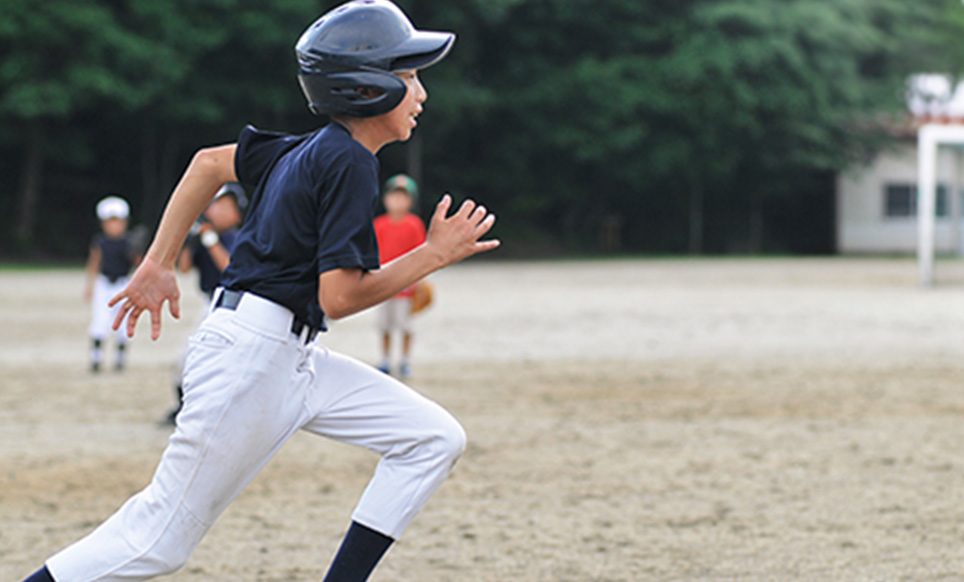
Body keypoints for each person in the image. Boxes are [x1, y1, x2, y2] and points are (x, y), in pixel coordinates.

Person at [19, 3, 499, 582]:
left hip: (288, 356)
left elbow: (206, 165)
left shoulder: (305, 150)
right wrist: (432, 254)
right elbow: (338, 298)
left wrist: (158, 262)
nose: (421, 94)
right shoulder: (348, 163)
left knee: (433, 438)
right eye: (410, 77)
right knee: (156, 541)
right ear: (368, 88)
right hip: (251, 361)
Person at [163, 183, 246, 425]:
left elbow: (230, 268)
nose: (216, 211)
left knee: (222, 363)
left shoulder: (238, 238)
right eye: (214, 206)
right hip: (209, 304)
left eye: (224, 207)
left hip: (234, 306)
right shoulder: (204, 237)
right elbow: (184, 267)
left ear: (237, 214)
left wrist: (211, 241)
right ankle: (183, 407)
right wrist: (190, 240)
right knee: (185, 360)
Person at [373, 173, 426, 377]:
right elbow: (374, 253)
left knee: (405, 326)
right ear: (385, 199)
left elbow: (420, 253)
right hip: (383, 283)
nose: (397, 201)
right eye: (394, 196)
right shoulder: (379, 225)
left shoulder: (414, 224)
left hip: (406, 283)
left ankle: (405, 361)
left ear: (410, 201)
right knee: (384, 325)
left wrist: (419, 280)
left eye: (403, 197)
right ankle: (385, 360)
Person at [83, 195, 141, 372]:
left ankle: (120, 358)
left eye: (117, 221)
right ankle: (96, 357)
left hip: (123, 284)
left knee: (123, 323)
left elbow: (138, 264)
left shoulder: (129, 242)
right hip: (104, 283)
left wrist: (137, 252)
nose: (114, 226)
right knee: (100, 321)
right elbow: (94, 262)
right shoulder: (100, 241)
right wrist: (90, 285)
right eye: (110, 221)